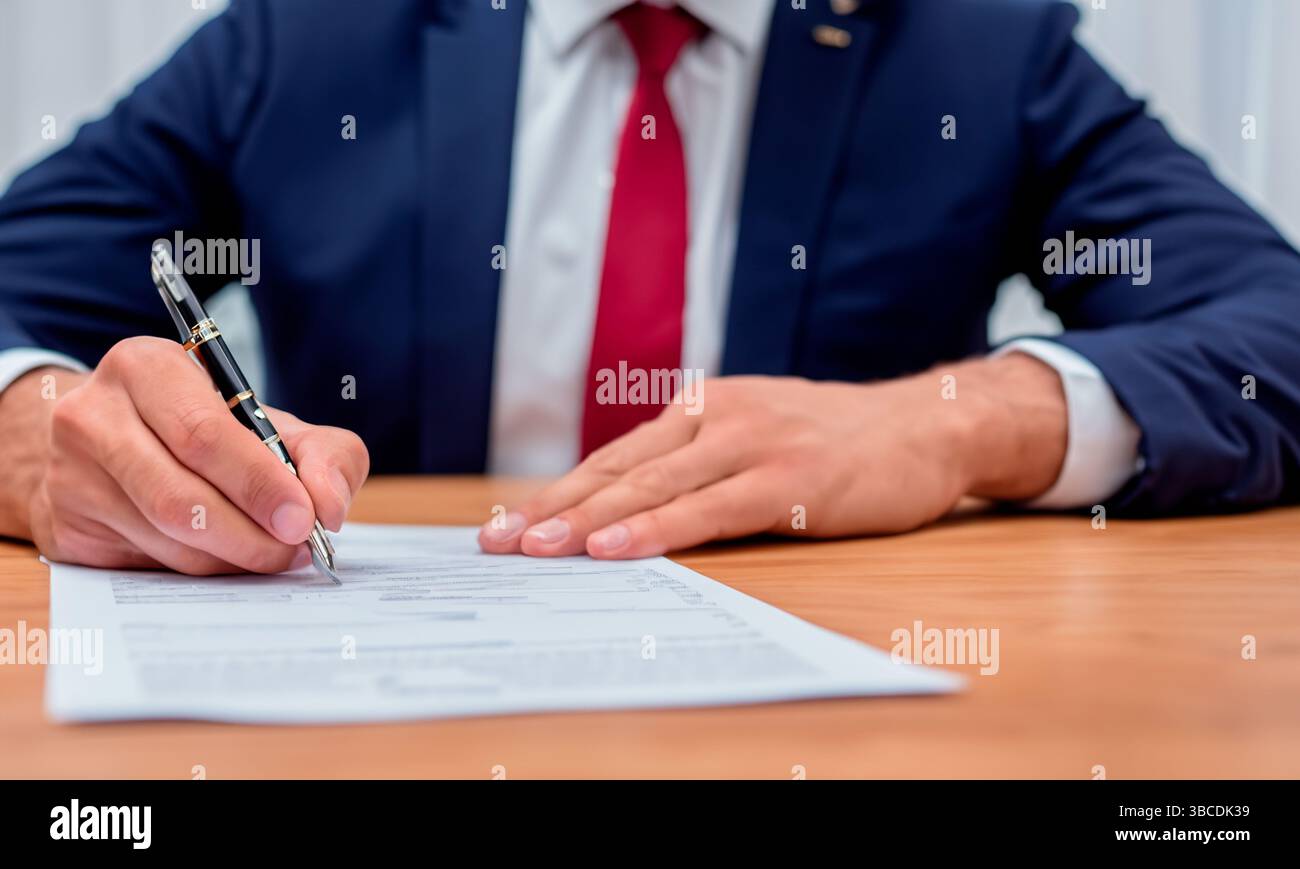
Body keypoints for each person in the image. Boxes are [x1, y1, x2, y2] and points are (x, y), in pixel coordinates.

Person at [0, 0, 1297, 574]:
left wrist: (954, 423)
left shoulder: (982, 51)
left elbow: (1271, 330)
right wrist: (41, 432)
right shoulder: (310, 33)